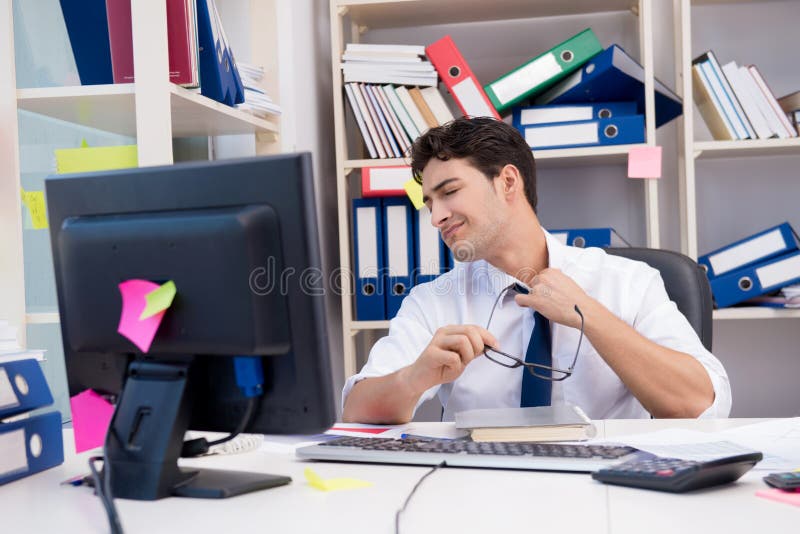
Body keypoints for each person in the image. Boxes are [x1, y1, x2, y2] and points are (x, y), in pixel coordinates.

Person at [342, 117, 731, 424]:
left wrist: (588, 314)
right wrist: (415, 377)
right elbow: (355, 411)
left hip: (610, 494)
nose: (436, 217)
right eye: (429, 202)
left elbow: (699, 404)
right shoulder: (433, 302)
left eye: (449, 192)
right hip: (486, 496)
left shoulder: (628, 281)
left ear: (508, 182)